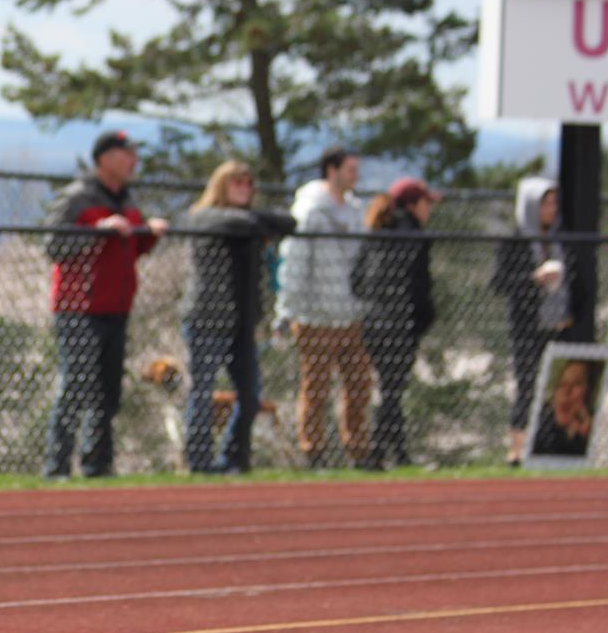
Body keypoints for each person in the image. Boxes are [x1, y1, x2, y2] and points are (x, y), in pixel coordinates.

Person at [41, 129, 169, 478]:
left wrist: (148, 235)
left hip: (117, 307)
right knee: (76, 385)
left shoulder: (127, 200)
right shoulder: (79, 197)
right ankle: (57, 467)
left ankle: (98, 464)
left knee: (108, 391)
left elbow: (129, 251)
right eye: (127, 153)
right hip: (79, 309)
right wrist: (99, 228)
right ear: (105, 158)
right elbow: (54, 245)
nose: (134, 161)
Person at [179, 159, 296, 473]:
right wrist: (258, 223)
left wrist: (257, 222)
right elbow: (237, 225)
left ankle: (233, 458)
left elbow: (288, 222)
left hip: (242, 322)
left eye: (249, 184)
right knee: (201, 391)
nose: (244, 189)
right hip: (207, 317)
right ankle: (199, 462)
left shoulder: (249, 219)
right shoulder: (203, 217)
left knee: (250, 394)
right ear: (221, 185)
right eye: (237, 183)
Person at [276, 146, 372, 468]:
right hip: (315, 316)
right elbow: (295, 261)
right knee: (316, 389)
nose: (355, 176)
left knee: (359, 385)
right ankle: (312, 451)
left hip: (351, 314)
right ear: (332, 170)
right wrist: (287, 309)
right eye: (350, 169)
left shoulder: (356, 210)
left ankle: (358, 450)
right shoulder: (311, 211)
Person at [352, 177, 439, 468]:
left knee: (391, 389)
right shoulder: (415, 236)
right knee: (391, 391)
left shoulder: (376, 231)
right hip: (402, 322)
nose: (429, 210)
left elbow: (357, 282)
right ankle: (376, 453)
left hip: (373, 321)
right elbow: (420, 287)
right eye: (426, 203)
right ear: (413, 204)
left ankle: (399, 454)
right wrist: (423, 320)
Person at [491, 177, 571, 466]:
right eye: (545, 203)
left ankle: (550, 447)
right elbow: (499, 282)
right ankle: (517, 450)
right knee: (526, 386)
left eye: (554, 203)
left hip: (557, 323)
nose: (551, 209)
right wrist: (533, 278)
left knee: (557, 388)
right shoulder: (515, 241)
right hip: (527, 325)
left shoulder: (560, 239)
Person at [532, 358, 599, 457]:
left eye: (576, 383)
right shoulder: (539, 426)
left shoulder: (593, 428)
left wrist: (580, 437)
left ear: (589, 392)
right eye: (562, 384)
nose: (566, 391)